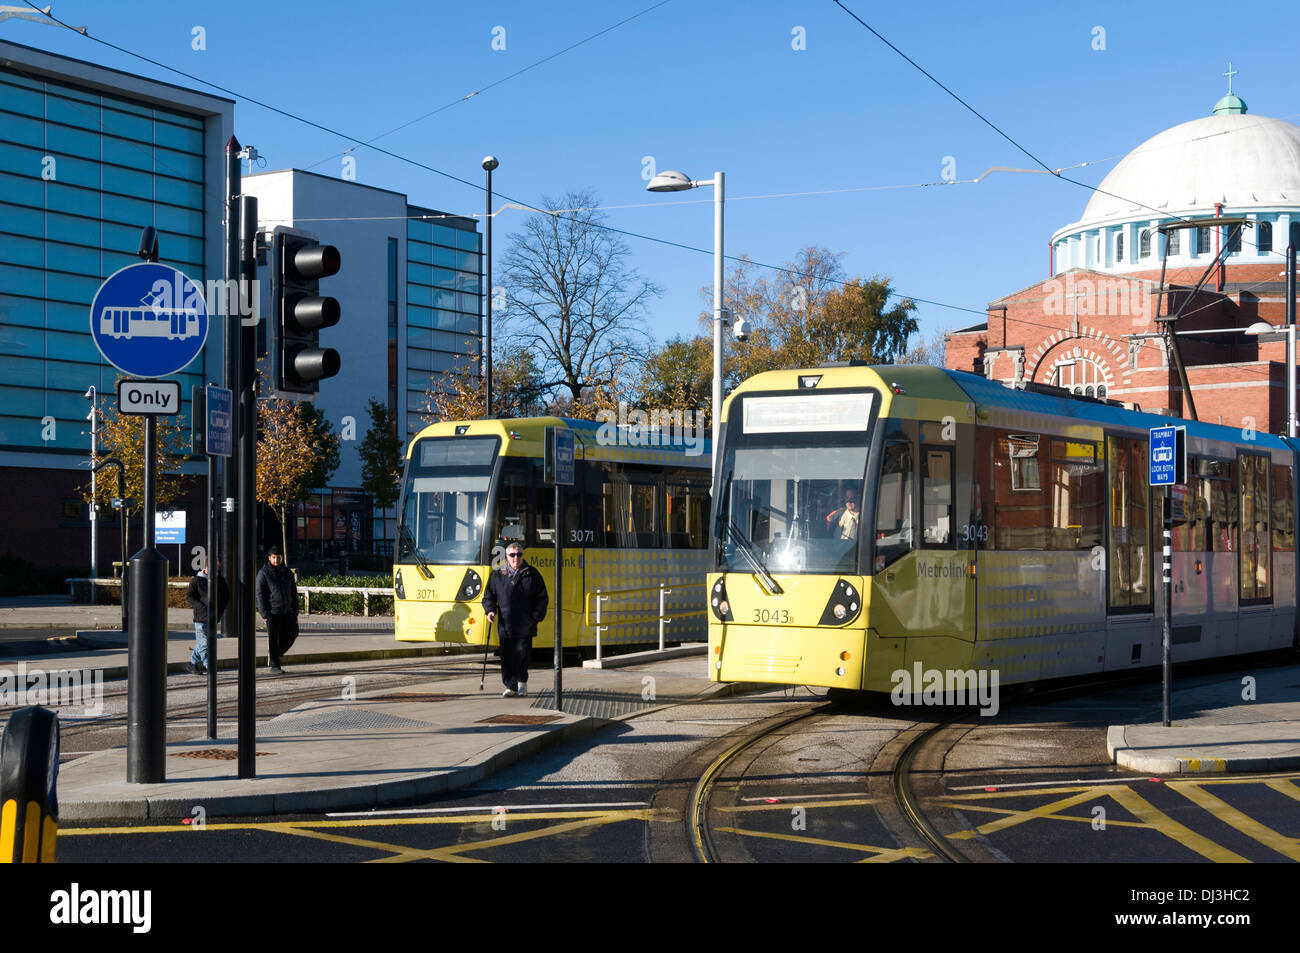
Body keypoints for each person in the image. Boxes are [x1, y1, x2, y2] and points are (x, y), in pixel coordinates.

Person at [482, 543, 549, 697]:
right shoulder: (497, 574)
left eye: (519, 554)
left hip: (525, 624)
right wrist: (490, 610)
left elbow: (542, 598)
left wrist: (535, 618)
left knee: (522, 654)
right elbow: (489, 596)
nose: (515, 558)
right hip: (506, 624)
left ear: (522, 556)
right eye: (512, 555)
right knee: (506, 655)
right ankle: (510, 686)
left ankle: (522, 683)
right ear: (506, 556)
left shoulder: (532, 574)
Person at [256, 545, 299, 674]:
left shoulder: (287, 572)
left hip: (287, 611)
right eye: (274, 557)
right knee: (273, 638)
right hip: (272, 612)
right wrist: (264, 613)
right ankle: (275, 665)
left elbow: (293, 592)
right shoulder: (263, 573)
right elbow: (260, 594)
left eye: (278, 557)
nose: (276, 560)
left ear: (282, 558)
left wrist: (295, 610)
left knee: (293, 633)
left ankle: (275, 653)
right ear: (269, 558)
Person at [185, 556, 229, 676]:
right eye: (215, 566)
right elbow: (189, 596)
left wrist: (219, 611)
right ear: (207, 567)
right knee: (205, 643)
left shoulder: (220, 580)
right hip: (201, 618)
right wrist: (202, 607)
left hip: (213, 617)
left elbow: (226, 596)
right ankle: (209, 665)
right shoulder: (197, 580)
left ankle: (192, 664)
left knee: (204, 642)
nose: (217, 569)